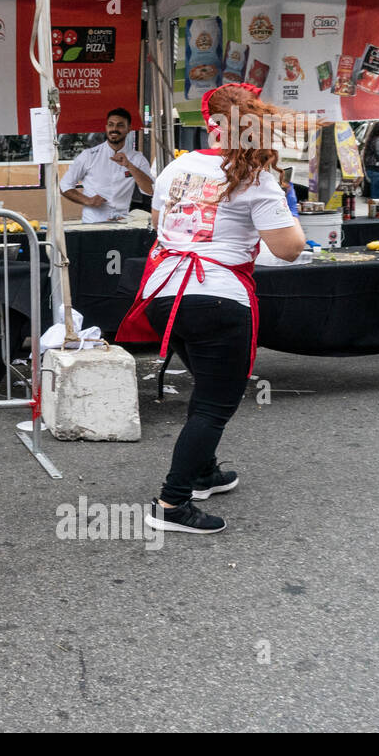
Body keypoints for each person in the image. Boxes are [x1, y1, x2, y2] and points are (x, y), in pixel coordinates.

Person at [116, 83, 306, 535]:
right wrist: (287, 210)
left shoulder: (177, 167)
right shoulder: (256, 178)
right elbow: (289, 249)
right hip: (217, 298)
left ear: (209, 124)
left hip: (164, 295)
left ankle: (203, 474)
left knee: (206, 388)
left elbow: (160, 224)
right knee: (214, 405)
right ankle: (172, 503)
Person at [59, 108, 153, 222]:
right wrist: (87, 200)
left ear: (129, 129)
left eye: (120, 125)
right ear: (106, 127)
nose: (114, 129)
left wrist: (129, 166)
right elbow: (64, 185)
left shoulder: (137, 158)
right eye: (111, 125)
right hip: (93, 223)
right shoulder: (89, 155)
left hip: (123, 223)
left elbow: (150, 190)